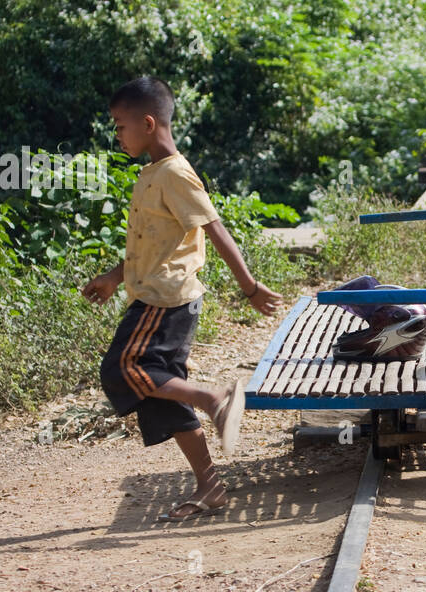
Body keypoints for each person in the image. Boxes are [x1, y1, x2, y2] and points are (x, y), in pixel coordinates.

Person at [82, 76, 282, 520]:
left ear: (149, 123)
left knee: (122, 368)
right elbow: (152, 244)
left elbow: (215, 229)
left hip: (166, 301)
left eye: (119, 125)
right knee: (159, 397)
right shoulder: (152, 173)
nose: (116, 134)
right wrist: (116, 276)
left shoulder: (175, 172)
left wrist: (249, 287)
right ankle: (210, 486)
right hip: (153, 294)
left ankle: (214, 399)